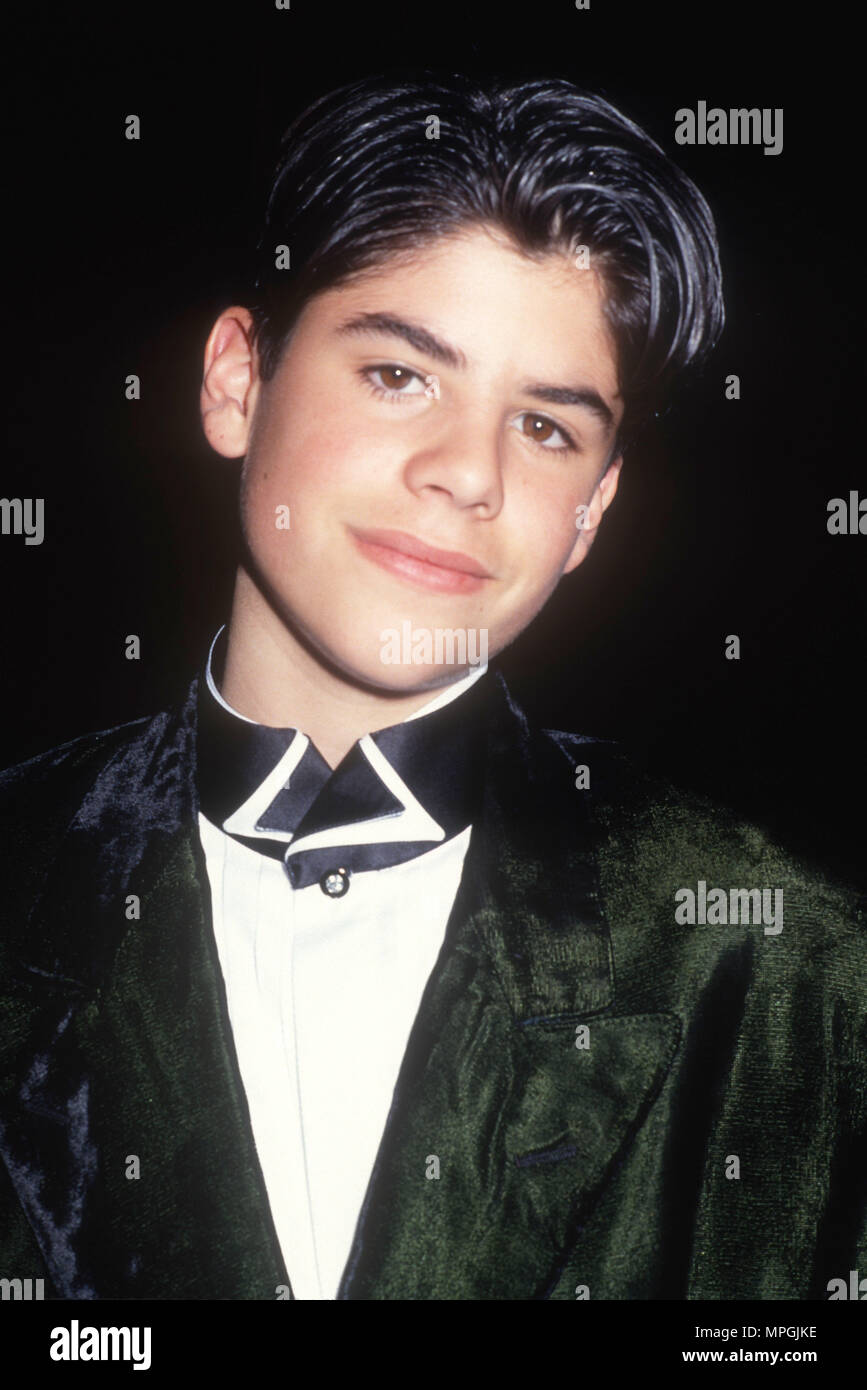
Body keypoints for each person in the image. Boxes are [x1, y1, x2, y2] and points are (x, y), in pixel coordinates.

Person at [0, 71, 863, 1302]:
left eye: (548, 426)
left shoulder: (790, 976)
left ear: (592, 515)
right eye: (401, 373)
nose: (469, 473)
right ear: (238, 381)